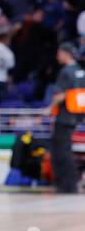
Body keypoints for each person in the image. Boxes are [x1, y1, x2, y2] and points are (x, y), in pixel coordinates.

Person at [46, 43, 85, 193]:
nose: (57, 56)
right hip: (76, 116)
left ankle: (66, 185)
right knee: (66, 150)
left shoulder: (66, 72)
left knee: (61, 151)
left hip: (64, 116)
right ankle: (72, 184)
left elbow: (60, 95)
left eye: (59, 53)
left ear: (65, 53)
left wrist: (49, 108)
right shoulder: (80, 71)